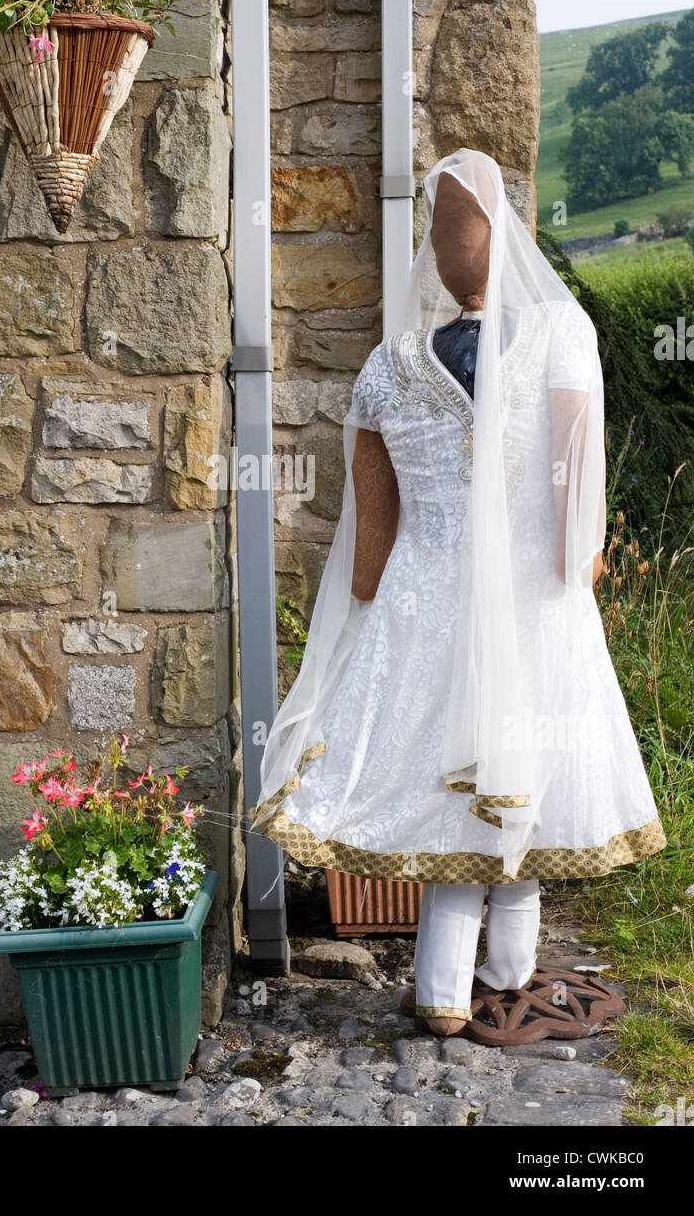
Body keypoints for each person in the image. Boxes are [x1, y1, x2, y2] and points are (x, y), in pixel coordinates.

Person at [249, 148, 665, 1038]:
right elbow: (574, 482)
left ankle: (443, 991)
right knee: (525, 780)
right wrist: (578, 569)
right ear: (508, 235)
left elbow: (369, 532)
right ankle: (504, 974)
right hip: (530, 604)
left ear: (434, 253)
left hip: (420, 607)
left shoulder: (387, 367)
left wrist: (368, 600)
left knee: (448, 791)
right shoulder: (559, 337)